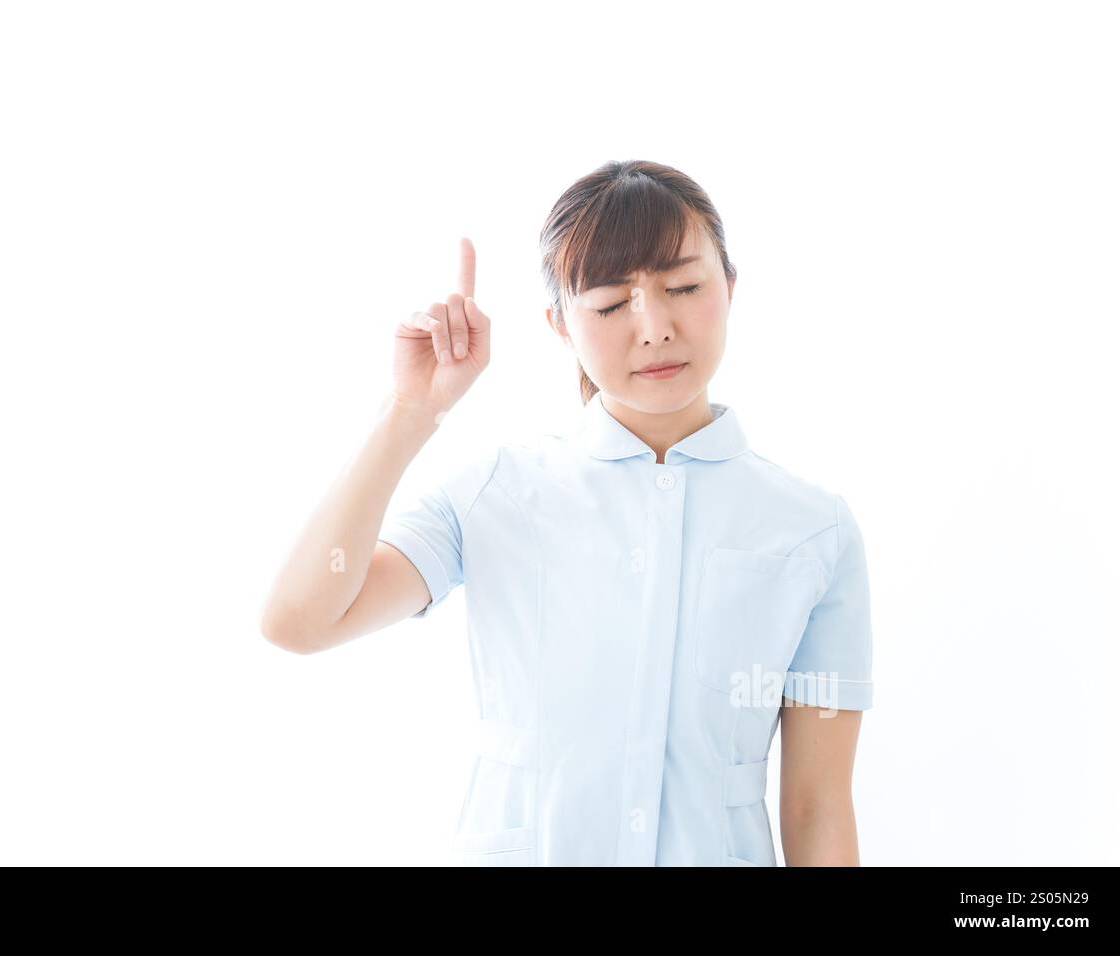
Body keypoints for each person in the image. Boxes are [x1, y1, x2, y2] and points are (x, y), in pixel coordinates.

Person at [260, 159, 874, 867]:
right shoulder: (497, 492)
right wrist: (411, 410)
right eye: (612, 304)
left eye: (683, 286)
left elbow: (817, 808)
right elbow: (299, 620)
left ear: (730, 287)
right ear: (559, 324)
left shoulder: (813, 531)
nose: (654, 328)